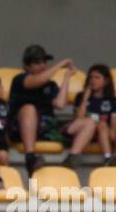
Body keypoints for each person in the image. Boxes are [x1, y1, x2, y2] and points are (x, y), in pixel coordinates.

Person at [7, 44, 74, 176]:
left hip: (46, 127)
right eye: (37, 63)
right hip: (20, 129)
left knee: (85, 123)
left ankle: (72, 160)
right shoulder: (20, 79)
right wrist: (60, 65)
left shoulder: (50, 84)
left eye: (44, 62)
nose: (43, 66)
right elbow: (36, 81)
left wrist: (67, 77)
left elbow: (60, 104)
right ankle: (31, 158)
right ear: (27, 66)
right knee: (29, 109)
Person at [62, 64, 116, 168]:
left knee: (102, 125)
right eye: (91, 77)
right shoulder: (80, 96)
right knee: (91, 122)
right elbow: (79, 119)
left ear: (106, 81)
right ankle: (107, 158)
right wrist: (85, 98)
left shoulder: (112, 100)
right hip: (83, 131)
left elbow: (114, 123)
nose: (93, 80)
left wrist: (113, 134)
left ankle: (108, 158)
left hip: (101, 133)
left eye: (97, 77)